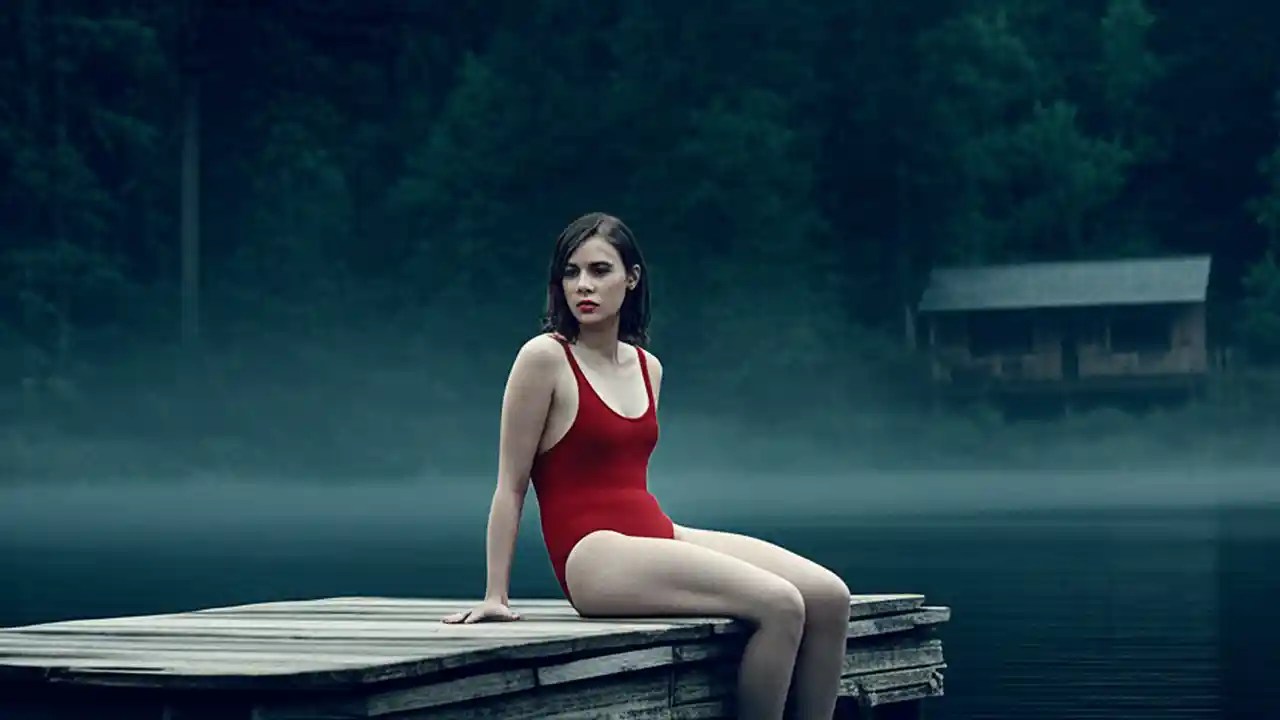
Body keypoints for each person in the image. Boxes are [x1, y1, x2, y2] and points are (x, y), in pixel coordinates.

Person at [442, 212, 852, 720]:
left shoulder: (646, 367)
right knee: (781, 605)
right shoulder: (544, 358)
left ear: (631, 279)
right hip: (593, 555)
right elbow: (510, 486)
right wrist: (495, 595)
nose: (583, 286)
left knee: (831, 598)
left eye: (599, 270)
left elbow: (624, 477)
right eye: (571, 273)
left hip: (656, 535)